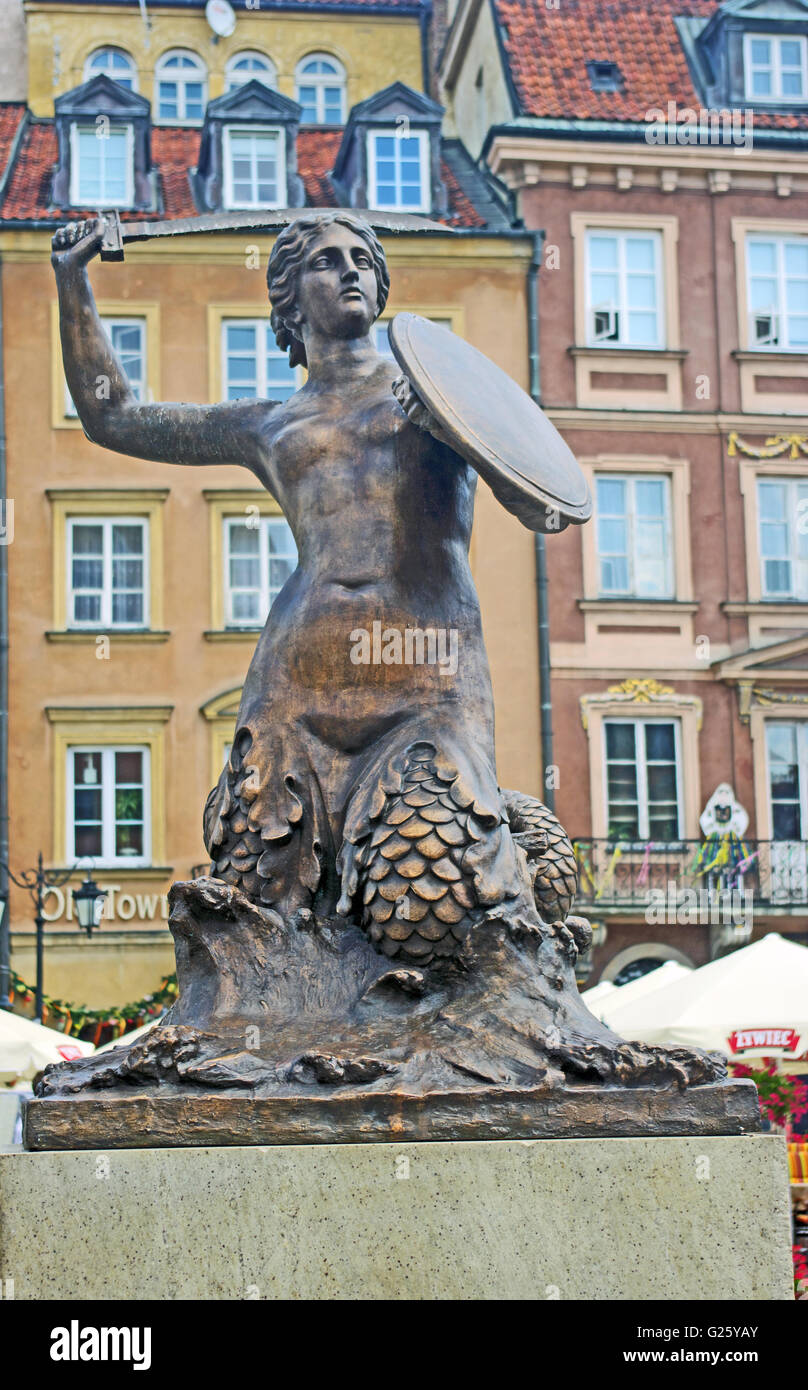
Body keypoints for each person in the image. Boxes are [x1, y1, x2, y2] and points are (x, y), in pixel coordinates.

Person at [51, 212, 551, 965]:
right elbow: (112, 417)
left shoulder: (439, 395)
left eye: (361, 259)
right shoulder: (271, 422)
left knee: (427, 901)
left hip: (422, 677)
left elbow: (542, 503)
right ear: (289, 300)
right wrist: (72, 281)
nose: (348, 270)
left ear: (381, 286)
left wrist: (452, 428)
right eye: (325, 261)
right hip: (295, 680)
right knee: (259, 898)